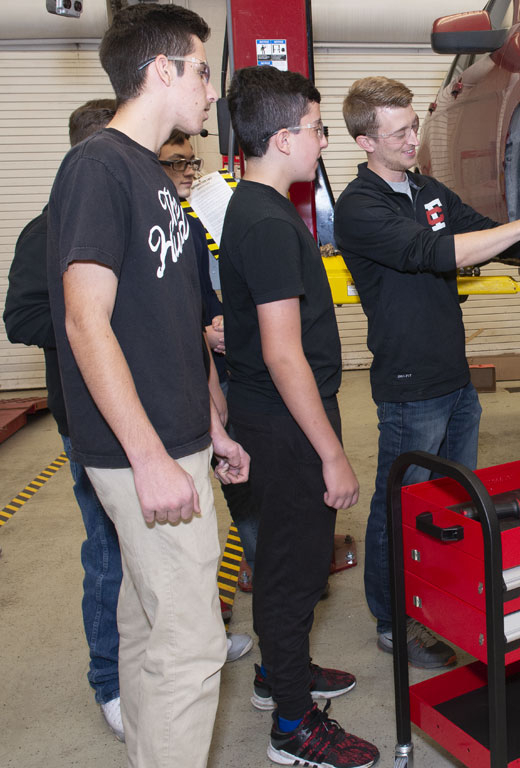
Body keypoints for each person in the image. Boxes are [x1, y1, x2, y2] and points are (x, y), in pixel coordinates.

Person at [45, 6, 249, 768]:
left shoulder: (154, 176)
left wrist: (212, 427)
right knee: (192, 645)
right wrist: (149, 457)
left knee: (146, 622)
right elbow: (85, 321)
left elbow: (168, 323)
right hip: (144, 451)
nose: (210, 89)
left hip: (176, 436)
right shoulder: (98, 167)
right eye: (201, 69)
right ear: (162, 69)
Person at [334, 76, 520, 667]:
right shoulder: (359, 207)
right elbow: (436, 252)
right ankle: (394, 620)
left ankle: (438, 594)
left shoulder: (426, 189)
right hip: (410, 385)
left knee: (449, 501)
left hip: (455, 378)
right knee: (401, 505)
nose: (412, 139)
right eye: (398, 133)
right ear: (366, 141)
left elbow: (478, 233)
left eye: (413, 126)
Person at [220, 65, 378, 768]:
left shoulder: (257, 208)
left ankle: (277, 673)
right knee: (293, 573)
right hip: (285, 427)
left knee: (293, 563)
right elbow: (284, 355)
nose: (323, 142)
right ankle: (292, 725)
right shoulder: (268, 223)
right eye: (316, 129)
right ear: (283, 137)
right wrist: (332, 456)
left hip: (273, 417)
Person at [4, 99, 125, 741]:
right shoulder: (46, 229)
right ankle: (110, 680)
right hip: (89, 417)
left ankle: (181, 643)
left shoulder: (137, 214)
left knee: (167, 543)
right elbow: (22, 319)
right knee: (108, 550)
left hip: (156, 411)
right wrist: (94, 325)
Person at [157, 129, 254, 663]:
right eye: (177, 163)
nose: (189, 173)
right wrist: (202, 337)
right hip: (175, 395)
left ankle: (256, 573)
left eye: (191, 163)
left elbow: (201, 297)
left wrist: (216, 327)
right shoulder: (145, 229)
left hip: (214, 376)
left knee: (236, 496)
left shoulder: (193, 222)